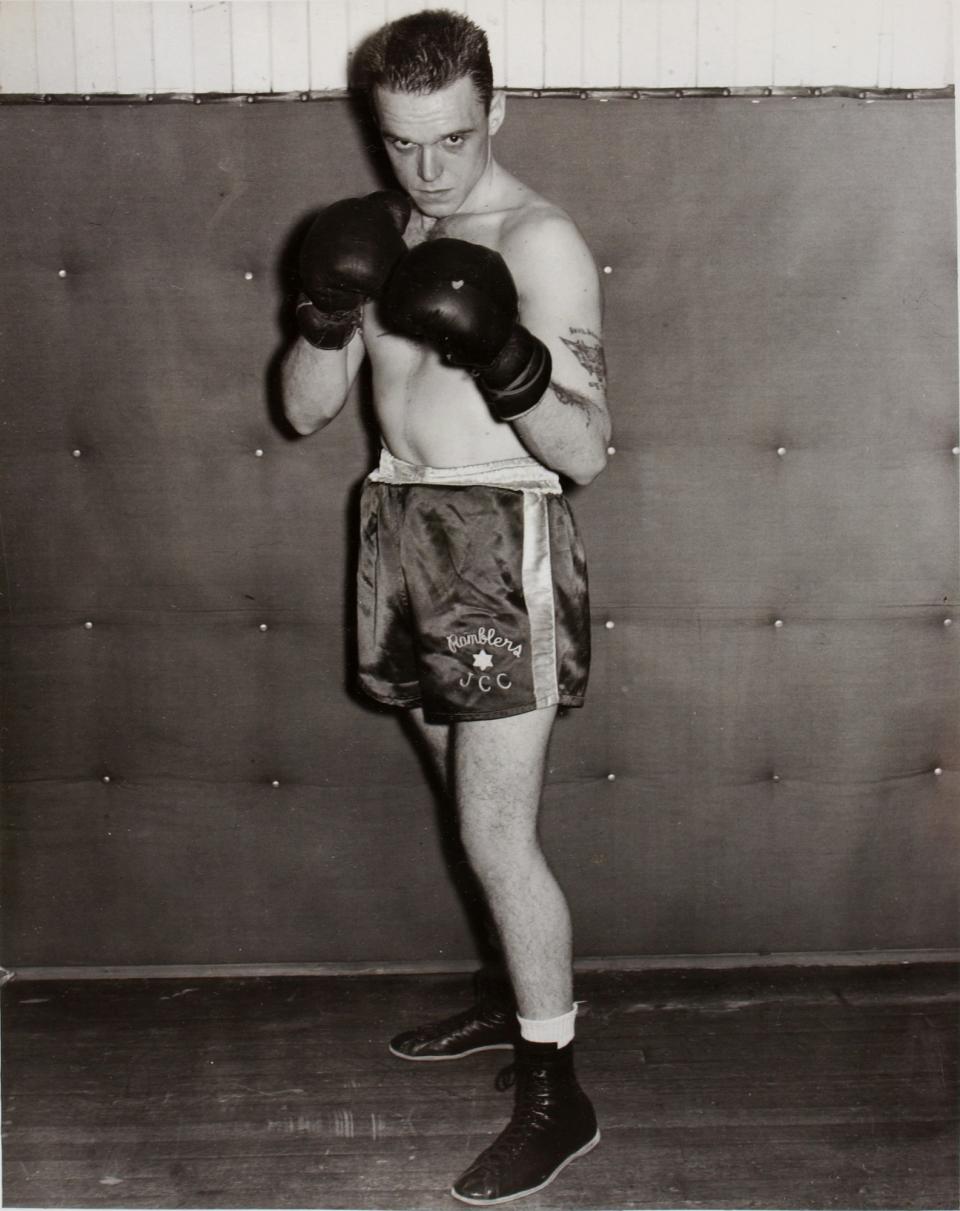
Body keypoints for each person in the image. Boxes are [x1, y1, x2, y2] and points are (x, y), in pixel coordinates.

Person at [282, 9, 611, 1204]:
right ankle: (508, 989)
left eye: (453, 142)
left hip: (496, 539)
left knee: (494, 829)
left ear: (498, 111)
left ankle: (555, 1084)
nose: (427, 171)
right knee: (456, 794)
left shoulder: (542, 240)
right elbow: (306, 410)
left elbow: (589, 452)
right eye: (402, 144)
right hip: (396, 528)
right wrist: (327, 313)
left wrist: (508, 358)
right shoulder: (377, 233)